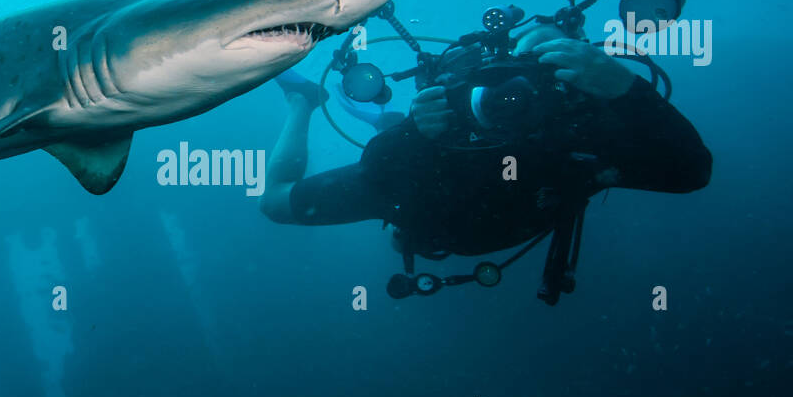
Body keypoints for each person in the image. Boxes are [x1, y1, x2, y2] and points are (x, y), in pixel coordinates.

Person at [261, 25, 711, 274]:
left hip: (446, 171)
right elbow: (281, 202)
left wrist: (624, 89)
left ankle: (360, 113)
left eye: (522, 86)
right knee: (275, 201)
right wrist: (417, 133)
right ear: (447, 95)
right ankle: (301, 103)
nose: (503, 101)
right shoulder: (415, 155)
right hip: (428, 184)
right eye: (477, 92)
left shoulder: (575, 136)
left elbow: (690, 173)